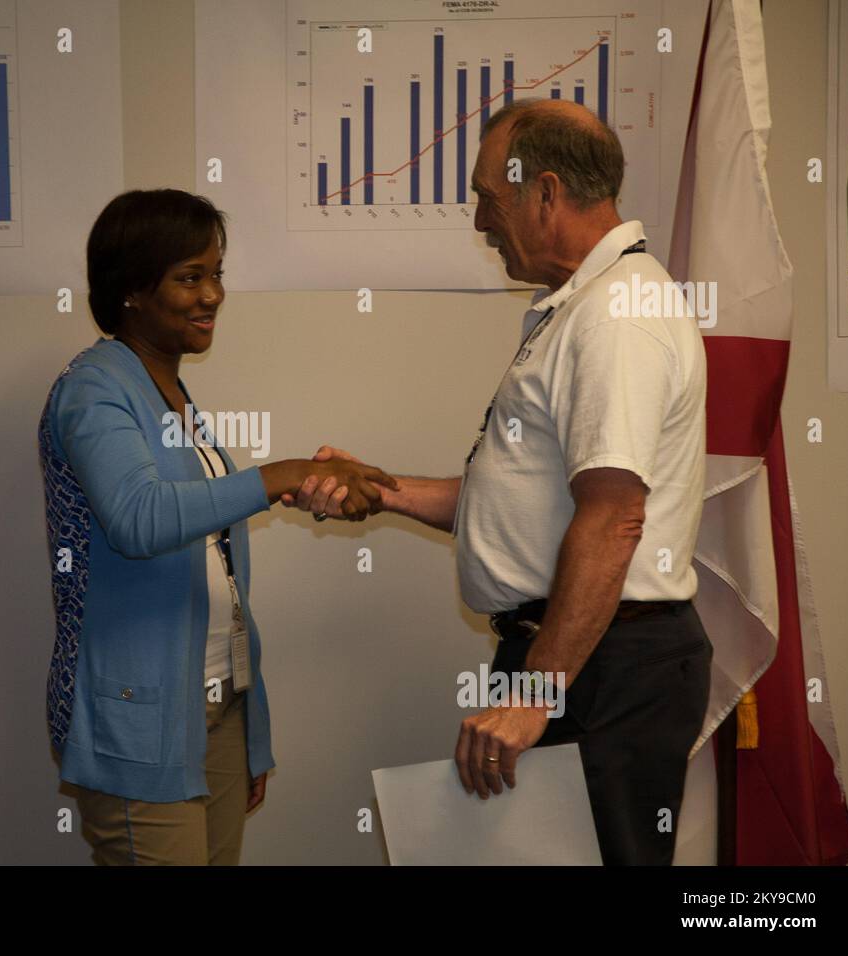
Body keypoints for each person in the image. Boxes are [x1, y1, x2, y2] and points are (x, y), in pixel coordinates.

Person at [290, 98, 712, 865]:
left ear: (545, 192)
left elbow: (614, 520)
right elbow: (527, 502)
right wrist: (378, 490)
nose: (481, 221)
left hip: (602, 665)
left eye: (489, 197)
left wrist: (534, 696)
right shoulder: (584, 305)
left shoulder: (618, 316)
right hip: (576, 656)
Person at [38, 188, 396, 865]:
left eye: (217, 273)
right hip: (140, 717)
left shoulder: (167, 390)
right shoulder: (95, 387)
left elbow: (210, 547)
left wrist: (247, 727)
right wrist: (279, 476)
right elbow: (138, 520)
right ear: (132, 291)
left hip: (218, 708)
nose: (212, 295)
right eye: (190, 277)